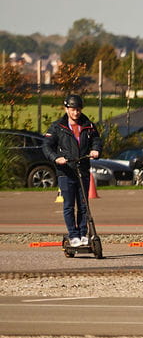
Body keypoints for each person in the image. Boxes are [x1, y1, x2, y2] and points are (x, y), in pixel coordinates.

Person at [42, 95, 101, 247]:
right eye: (73, 110)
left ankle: (82, 234)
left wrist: (95, 150)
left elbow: (96, 140)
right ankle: (73, 235)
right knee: (69, 205)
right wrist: (56, 158)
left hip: (82, 169)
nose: (76, 113)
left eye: (78, 110)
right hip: (66, 171)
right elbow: (46, 146)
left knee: (83, 204)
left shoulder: (88, 125)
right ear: (67, 109)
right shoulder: (57, 127)